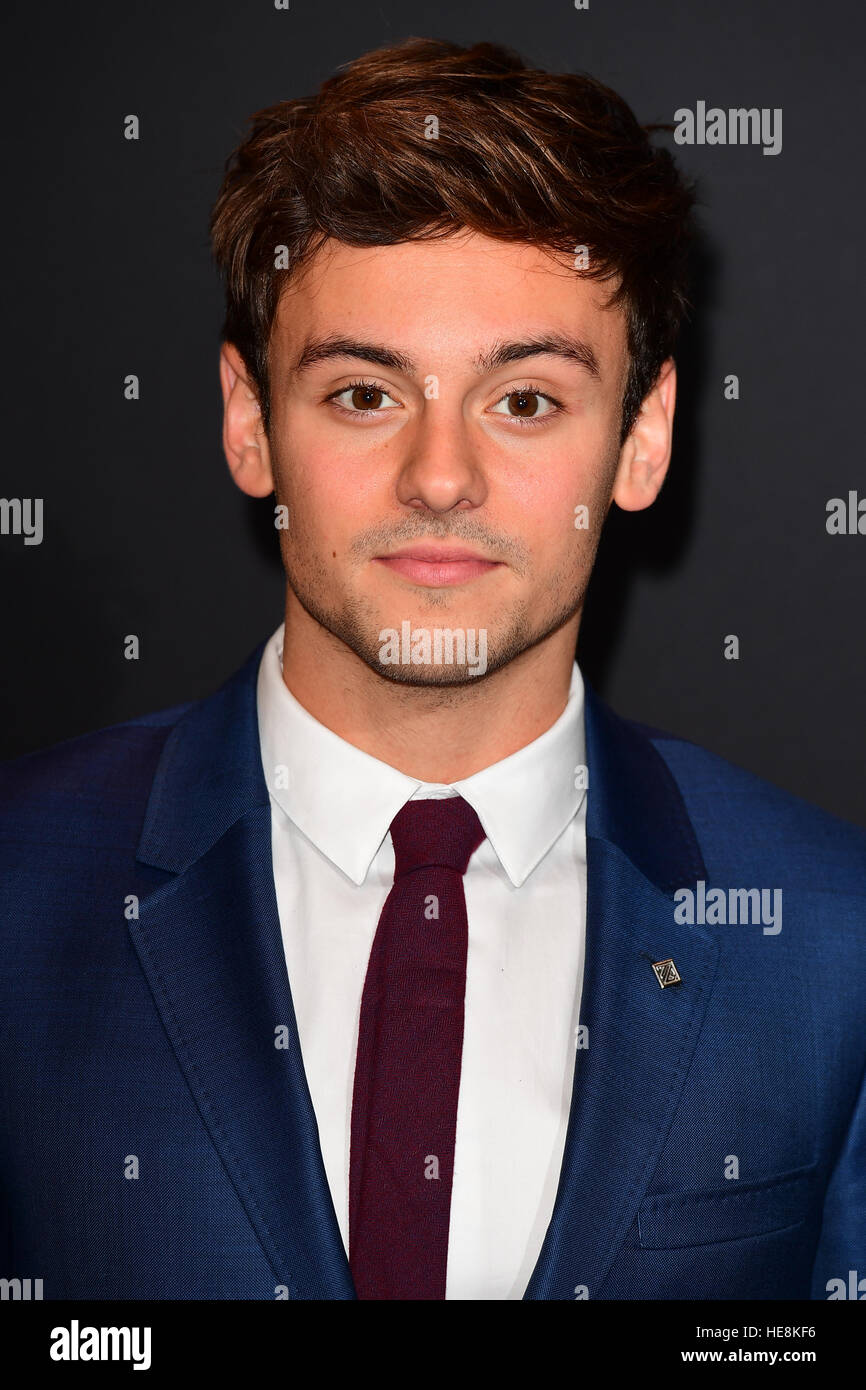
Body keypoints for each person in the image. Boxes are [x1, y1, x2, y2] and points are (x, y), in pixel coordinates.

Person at [1, 36, 863, 1302]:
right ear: (249, 424)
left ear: (641, 437)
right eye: (362, 393)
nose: (440, 476)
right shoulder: (16, 892)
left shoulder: (830, 941)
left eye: (523, 399)